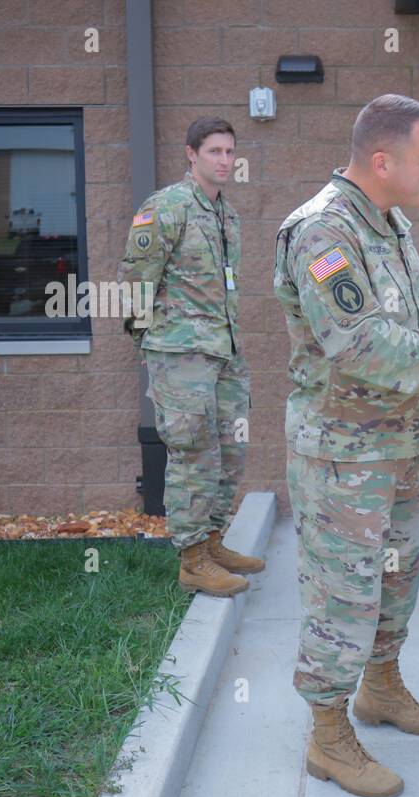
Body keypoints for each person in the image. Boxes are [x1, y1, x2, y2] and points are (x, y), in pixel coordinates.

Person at [272, 94, 419, 797]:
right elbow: (359, 343)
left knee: (396, 581)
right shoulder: (322, 233)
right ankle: (328, 737)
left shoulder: (388, 222)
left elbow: (399, 332)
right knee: (342, 595)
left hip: (392, 448)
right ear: (383, 160)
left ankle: (382, 689)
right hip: (342, 458)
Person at [118, 116, 263, 598]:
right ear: (191, 154)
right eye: (215, 151)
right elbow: (135, 281)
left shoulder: (227, 215)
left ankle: (213, 541)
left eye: (229, 152)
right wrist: (149, 345)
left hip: (224, 354)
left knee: (229, 453)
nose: (224, 160)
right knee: (192, 453)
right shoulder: (167, 208)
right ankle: (192, 560)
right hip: (180, 354)